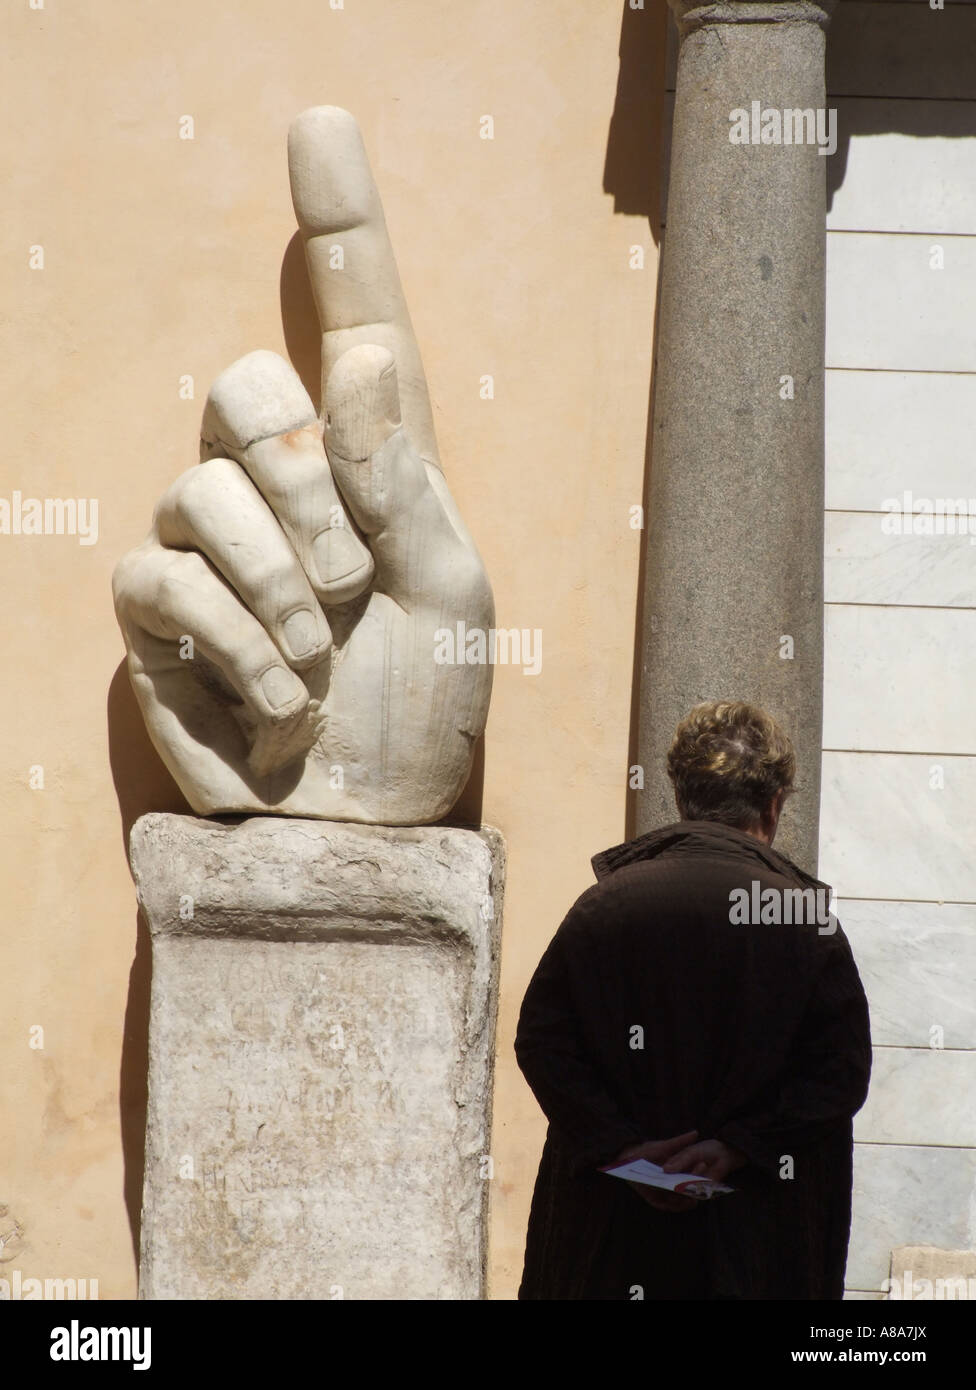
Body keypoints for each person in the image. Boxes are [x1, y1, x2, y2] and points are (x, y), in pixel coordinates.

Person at [514, 700, 872, 1300]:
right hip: (758, 1247)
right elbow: (839, 1074)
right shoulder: (803, 920)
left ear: (680, 796)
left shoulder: (605, 907)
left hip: (611, 1242)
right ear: (775, 803)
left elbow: (544, 1043)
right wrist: (738, 1148)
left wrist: (623, 1150)